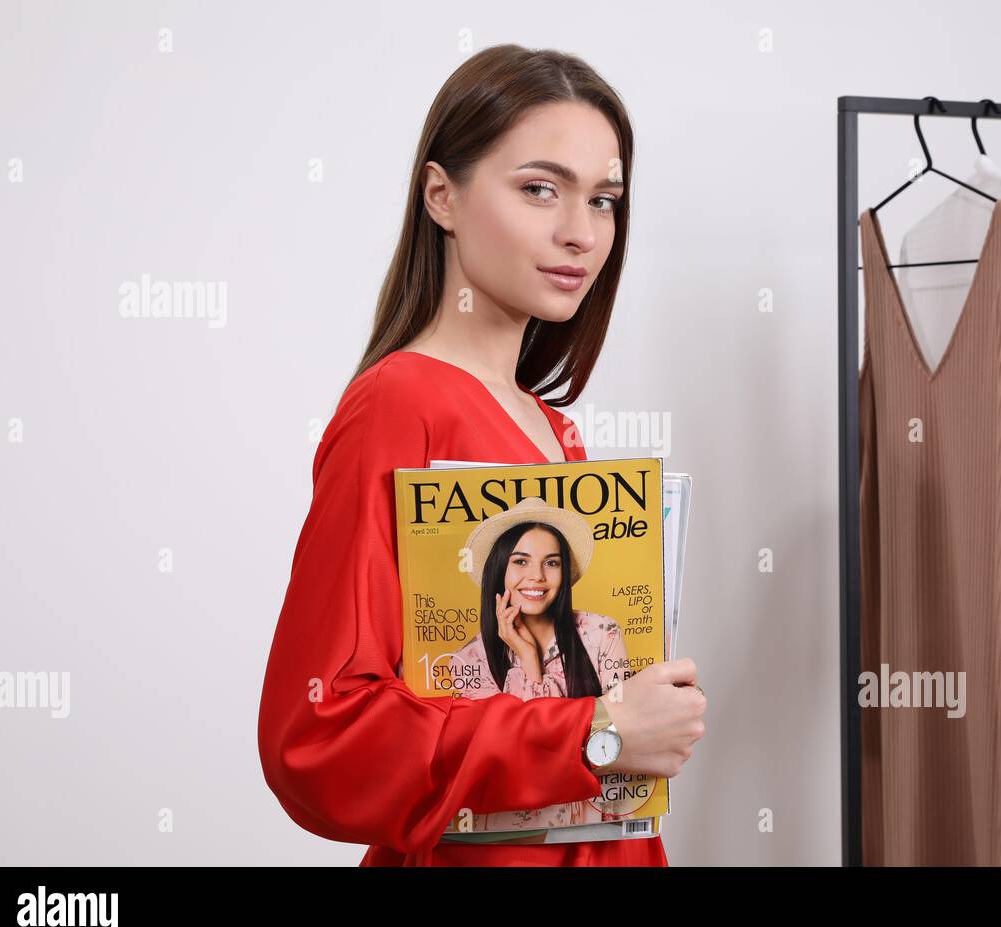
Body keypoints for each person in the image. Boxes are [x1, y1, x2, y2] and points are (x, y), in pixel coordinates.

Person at [256, 43, 707, 867]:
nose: (580, 233)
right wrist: (596, 730)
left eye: (604, 200)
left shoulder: (554, 430)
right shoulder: (400, 403)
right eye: (540, 189)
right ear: (443, 196)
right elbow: (317, 736)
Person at [452, 500, 639, 831]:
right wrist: (527, 660)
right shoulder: (469, 661)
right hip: (504, 835)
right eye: (520, 561)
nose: (537, 576)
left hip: (590, 826)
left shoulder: (600, 633)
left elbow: (622, 736)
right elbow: (512, 758)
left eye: (551, 563)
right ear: (499, 570)